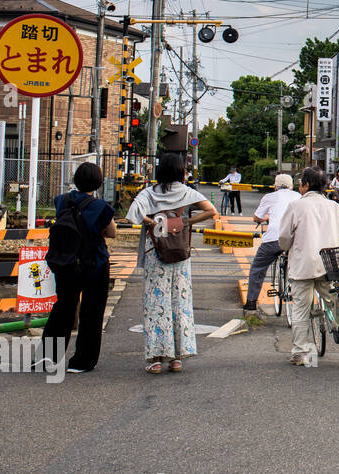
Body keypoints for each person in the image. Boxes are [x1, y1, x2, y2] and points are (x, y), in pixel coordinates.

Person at [126, 152, 218, 374]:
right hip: (180, 255)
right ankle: (177, 358)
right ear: (180, 172)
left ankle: (156, 359)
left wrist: (156, 223)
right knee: (180, 303)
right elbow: (211, 211)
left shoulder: (148, 194)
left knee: (156, 304)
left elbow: (133, 213)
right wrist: (184, 221)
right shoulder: (187, 193)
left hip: (155, 255)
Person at [278, 166, 339, 365]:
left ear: (305, 185)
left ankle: (301, 353)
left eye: (301, 183)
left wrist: (287, 247)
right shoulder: (334, 207)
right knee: (334, 299)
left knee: (300, 310)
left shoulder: (296, 207)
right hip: (329, 266)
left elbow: (284, 238)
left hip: (303, 267)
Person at [42, 162, 117, 374]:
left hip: (65, 263)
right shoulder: (101, 207)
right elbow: (111, 233)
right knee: (92, 312)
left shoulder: (61, 201)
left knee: (63, 308)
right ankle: (82, 361)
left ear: (76, 179)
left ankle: (48, 358)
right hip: (94, 264)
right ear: (99, 182)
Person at [243, 172, 301, 313]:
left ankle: (251, 302)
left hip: (274, 239)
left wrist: (266, 218)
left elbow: (256, 217)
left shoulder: (269, 197)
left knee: (258, 268)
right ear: (291, 186)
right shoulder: (299, 197)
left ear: (275, 186)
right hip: (296, 239)